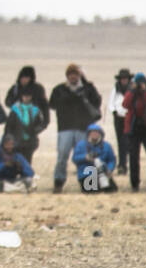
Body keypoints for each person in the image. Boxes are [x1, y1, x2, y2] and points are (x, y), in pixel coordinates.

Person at [49, 63, 102, 193]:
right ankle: (58, 182)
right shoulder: (59, 89)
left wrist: (84, 95)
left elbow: (97, 102)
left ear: (79, 75)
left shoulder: (88, 88)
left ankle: (90, 183)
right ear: (67, 76)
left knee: (87, 156)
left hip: (83, 128)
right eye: (70, 75)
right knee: (62, 156)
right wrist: (68, 98)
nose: (73, 77)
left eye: (75, 74)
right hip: (65, 128)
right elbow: (52, 104)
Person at [121, 72, 146, 191]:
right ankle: (135, 184)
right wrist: (132, 91)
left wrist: (144, 91)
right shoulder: (131, 93)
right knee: (134, 158)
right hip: (133, 129)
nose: (139, 85)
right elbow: (125, 104)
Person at [73, 123, 118, 193]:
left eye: (96, 132)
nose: (94, 134)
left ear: (100, 134)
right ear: (88, 134)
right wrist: (85, 157)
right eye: (92, 132)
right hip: (86, 174)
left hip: (103, 173)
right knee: (93, 191)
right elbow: (75, 158)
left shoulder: (106, 146)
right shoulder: (81, 145)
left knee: (112, 190)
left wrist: (109, 169)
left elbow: (112, 160)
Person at [4, 90, 45, 164]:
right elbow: (9, 125)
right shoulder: (15, 109)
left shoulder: (35, 109)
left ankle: (26, 174)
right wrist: (9, 137)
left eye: (28, 96)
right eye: (24, 96)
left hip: (30, 139)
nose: (26, 98)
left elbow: (41, 123)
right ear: (21, 97)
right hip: (17, 139)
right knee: (17, 160)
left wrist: (35, 130)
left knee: (28, 160)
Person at [5, 66, 50, 131]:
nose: (23, 79)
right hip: (16, 122)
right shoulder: (15, 88)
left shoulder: (38, 89)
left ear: (31, 78)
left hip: (33, 121)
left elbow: (44, 106)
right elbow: (7, 102)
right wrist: (18, 103)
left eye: (26, 77)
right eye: (22, 77)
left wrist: (44, 123)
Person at [109, 68, 133, 175]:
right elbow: (111, 102)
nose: (124, 80)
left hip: (129, 117)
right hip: (118, 118)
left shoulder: (132, 89)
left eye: (125, 78)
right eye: (122, 78)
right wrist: (114, 111)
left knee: (128, 141)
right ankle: (122, 165)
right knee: (121, 142)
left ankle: (125, 163)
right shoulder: (115, 89)